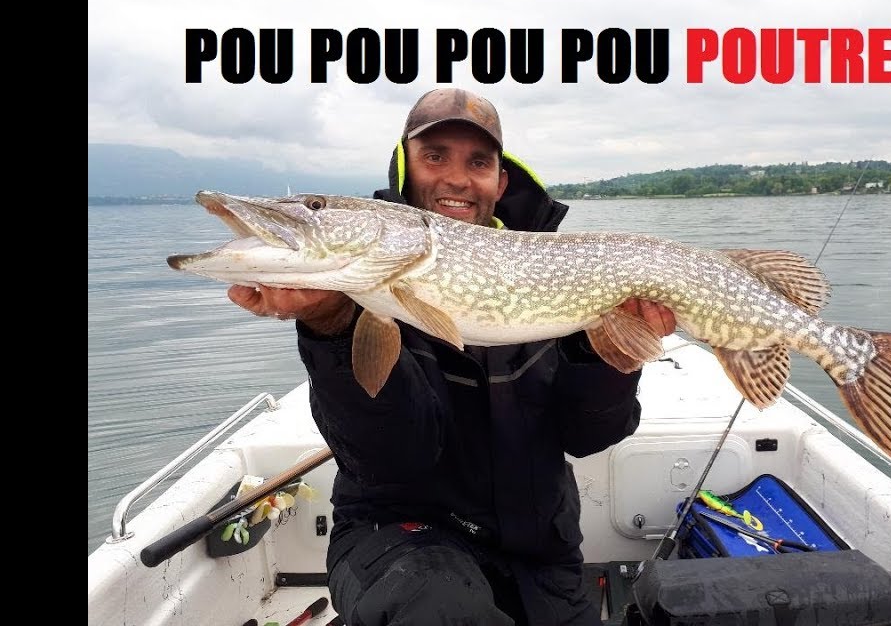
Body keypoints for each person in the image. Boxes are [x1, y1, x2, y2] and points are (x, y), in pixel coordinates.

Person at [228, 88, 676, 625]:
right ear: (404, 168)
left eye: (478, 162)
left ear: (500, 181)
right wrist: (330, 325)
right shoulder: (358, 295)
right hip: (396, 542)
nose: (458, 178)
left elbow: (588, 437)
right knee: (441, 612)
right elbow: (392, 459)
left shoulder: (555, 273)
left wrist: (602, 351)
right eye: (434, 155)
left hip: (540, 555)